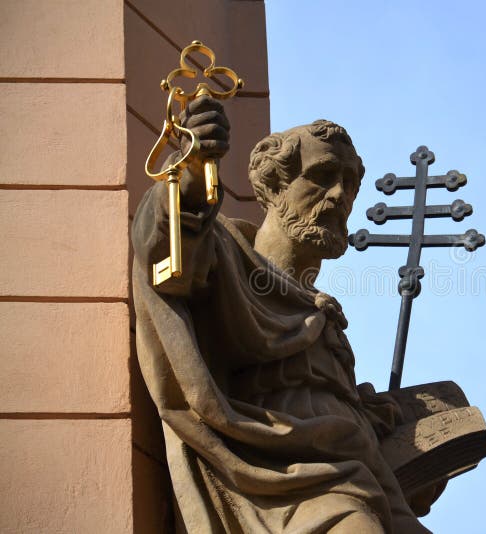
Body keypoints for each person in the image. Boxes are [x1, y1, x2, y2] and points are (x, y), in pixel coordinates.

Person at [132, 96, 430, 533]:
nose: (339, 196)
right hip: (287, 476)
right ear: (273, 187)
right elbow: (166, 259)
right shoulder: (229, 256)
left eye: (349, 183)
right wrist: (195, 172)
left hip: (366, 475)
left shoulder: (325, 316)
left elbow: (331, 404)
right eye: (323, 177)